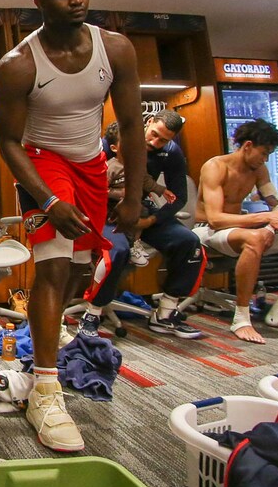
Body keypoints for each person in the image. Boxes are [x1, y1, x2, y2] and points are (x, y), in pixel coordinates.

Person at [0, 0, 145, 453]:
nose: (77, 0)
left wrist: (133, 197)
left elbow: (132, 126)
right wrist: (49, 198)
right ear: (39, 3)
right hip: (43, 161)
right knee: (54, 268)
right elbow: (8, 140)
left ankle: (46, 340)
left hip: (92, 164)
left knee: (80, 270)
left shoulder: (115, 48)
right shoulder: (19, 63)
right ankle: (45, 389)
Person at [194, 119, 278, 344]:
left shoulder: (258, 170)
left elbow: (273, 201)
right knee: (255, 238)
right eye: (263, 153)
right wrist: (266, 217)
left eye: (269, 155)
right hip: (208, 231)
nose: (265, 159)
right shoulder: (215, 167)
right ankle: (241, 319)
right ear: (247, 146)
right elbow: (215, 219)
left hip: (241, 228)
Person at [82, 114, 206, 339]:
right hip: (107, 212)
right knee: (116, 250)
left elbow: (178, 197)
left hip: (141, 209)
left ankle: (165, 313)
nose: (155, 143)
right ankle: (92, 314)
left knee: (189, 242)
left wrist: (151, 221)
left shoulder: (171, 153)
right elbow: (88, 187)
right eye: (154, 135)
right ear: (148, 122)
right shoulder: (112, 143)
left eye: (163, 140)